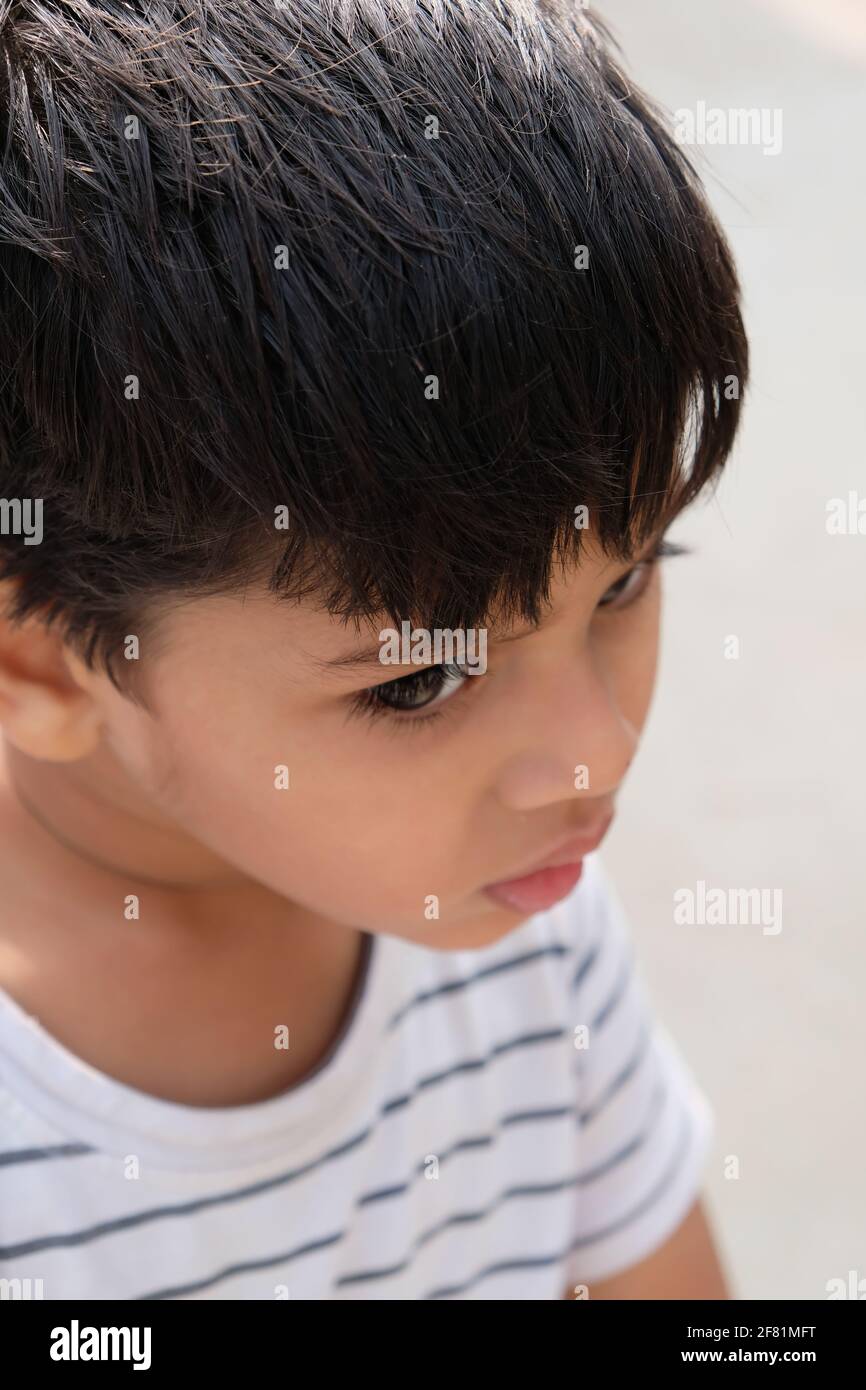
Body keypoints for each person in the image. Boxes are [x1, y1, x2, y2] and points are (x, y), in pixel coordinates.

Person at [0, 0, 747, 1300]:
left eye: (626, 577)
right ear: (48, 663)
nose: (593, 757)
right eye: (423, 678)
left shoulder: (524, 918)